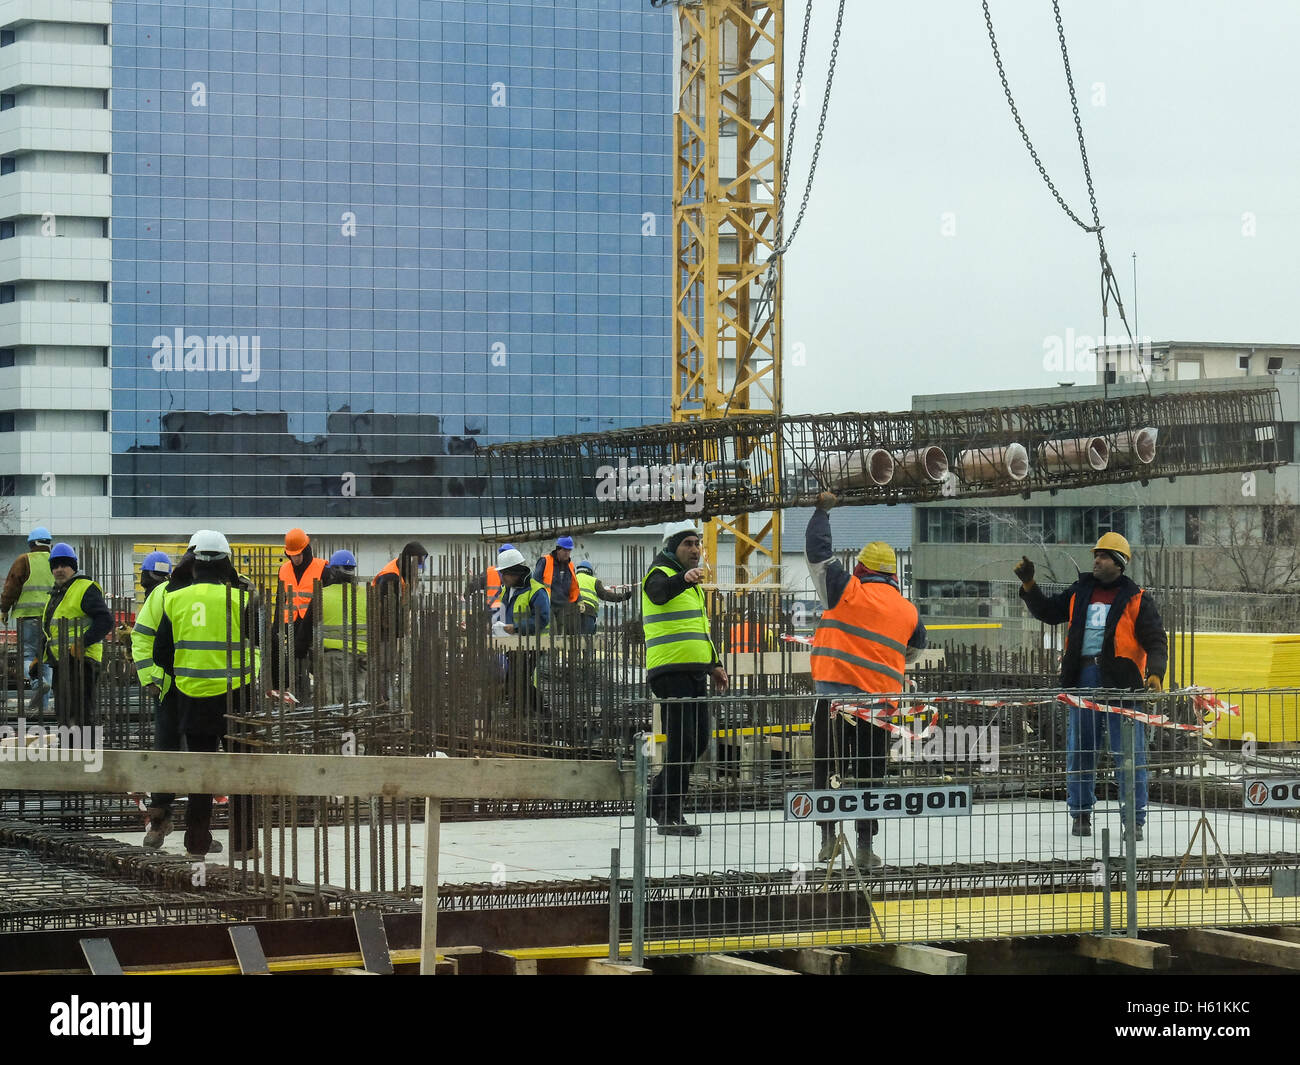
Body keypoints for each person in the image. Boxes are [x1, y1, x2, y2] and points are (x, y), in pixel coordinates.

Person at [1015, 532, 1167, 841]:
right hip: (1083, 678)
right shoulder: (1080, 591)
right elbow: (1049, 612)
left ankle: (1133, 820)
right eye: (1096, 555)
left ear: (1119, 563)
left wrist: (1155, 673)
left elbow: (1155, 639)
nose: (1096, 560)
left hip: (1122, 683)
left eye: (1104, 556)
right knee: (1081, 749)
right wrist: (1030, 586)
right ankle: (1081, 814)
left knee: (1129, 752)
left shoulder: (1136, 597)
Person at [807, 494, 926, 870]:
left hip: (833, 702)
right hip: (878, 707)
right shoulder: (908, 610)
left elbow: (817, 552)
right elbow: (915, 649)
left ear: (860, 568)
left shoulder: (845, 589)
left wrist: (822, 511)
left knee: (830, 768)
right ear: (893, 575)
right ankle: (863, 846)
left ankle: (828, 838)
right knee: (870, 773)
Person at [152, 530, 259, 861]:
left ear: (192, 563)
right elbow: (262, 645)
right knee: (242, 775)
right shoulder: (243, 600)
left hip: (192, 698)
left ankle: (196, 845)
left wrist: (188, 669)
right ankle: (243, 846)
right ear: (226, 563)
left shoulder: (174, 599)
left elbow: (160, 655)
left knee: (201, 776)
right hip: (236, 699)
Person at [642, 521, 728, 836]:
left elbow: (699, 628)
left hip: (694, 670)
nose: (695, 550)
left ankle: (656, 800)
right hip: (670, 671)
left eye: (697, 544)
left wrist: (714, 663)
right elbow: (660, 594)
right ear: (672, 547)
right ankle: (669, 813)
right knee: (681, 744)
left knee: (699, 740)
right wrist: (683, 577)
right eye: (688, 544)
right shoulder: (658, 574)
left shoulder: (688, 583)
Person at [128, 550, 182, 848]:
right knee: (168, 749)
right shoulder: (163, 593)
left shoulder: (169, 593)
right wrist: (152, 679)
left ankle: (195, 827)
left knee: (189, 752)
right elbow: (142, 637)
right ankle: (163, 820)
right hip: (171, 686)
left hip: (200, 687)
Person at [31, 542, 113, 729]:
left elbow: (105, 621)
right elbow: (50, 632)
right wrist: (39, 657)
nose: (59, 570)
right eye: (56, 566)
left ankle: (85, 755)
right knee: (65, 716)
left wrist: (81, 644)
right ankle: (70, 755)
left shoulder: (85, 588)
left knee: (80, 715)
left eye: (64, 565)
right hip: (62, 663)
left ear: (73, 567)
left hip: (82, 662)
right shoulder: (56, 594)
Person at [274, 527, 332, 696]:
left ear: (306, 550)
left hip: (314, 627)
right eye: (292, 555)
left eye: (298, 554)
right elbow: (280, 600)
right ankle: (299, 698)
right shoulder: (284, 570)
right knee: (293, 671)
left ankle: (317, 699)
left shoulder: (322, 569)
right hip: (291, 626)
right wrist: (276, 627)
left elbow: (325, 601)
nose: (295, 559)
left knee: (317, 668)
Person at [495, 547, 551, 721]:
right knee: (514, 681)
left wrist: (517, 627)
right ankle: (522, 714)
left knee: (521, 682)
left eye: (504, 574)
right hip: (514, 644)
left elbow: (542, 619)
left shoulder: (536, 591)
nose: (502, 578)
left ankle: (544, 713)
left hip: (534, 644)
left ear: (515, 573)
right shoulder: (507, 589)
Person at [2, 526, 55, 710]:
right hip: (52, 619)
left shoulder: (24, 560)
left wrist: (4, 609)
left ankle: (36, 683)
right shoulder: (57, 561)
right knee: (47, 658)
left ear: (32, 544)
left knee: (27, 655)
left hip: (28, 616)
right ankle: (43, 707)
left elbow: (11, 586)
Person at [371, 541, 428, 706]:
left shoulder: (404, 572)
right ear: (409, 560)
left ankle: (386, 697)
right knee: (383, 663)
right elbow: (382, 606)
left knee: (390, 663)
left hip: (393, 627)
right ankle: (380, 699)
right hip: (381, 628)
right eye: (417, 563)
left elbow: (402, 603)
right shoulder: (391, 575)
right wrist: (396, 629)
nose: (419, 567)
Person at [320, 549, 366, 703]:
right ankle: (357, 727)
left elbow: (307, 627)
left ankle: (335, 727)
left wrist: (301, 649)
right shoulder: (366, 595)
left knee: (333, 702)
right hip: (360, 658)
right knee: (357, 701)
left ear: (333, 571)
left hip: (332, 658)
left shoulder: (322, 595)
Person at [534, 535, 580, 634]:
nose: (567, 553)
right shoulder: (545, 561)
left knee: (562, 634)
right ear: (558, 549)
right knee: (551, 631)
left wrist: (579, 600)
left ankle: (559, 649)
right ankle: (551, 649)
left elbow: (573, 586)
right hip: (548, 604)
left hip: (563, 605)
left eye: (569, 550)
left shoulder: (570, 566)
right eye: (565, 550)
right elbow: (535, 583)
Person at [573, 560, 633, 635]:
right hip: (588, 612)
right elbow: (606, 595)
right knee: (587, 640)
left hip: (570, 612)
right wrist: (623, 596)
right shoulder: (594, 581)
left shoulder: (571, 578)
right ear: (590, 571)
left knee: (570, 641)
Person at [464, 543, 515, 628]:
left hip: (492, 609)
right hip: (509, 610)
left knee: (491, 634)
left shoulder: (490, 571)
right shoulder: (520, 573)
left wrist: (466, 593)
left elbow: (475, 584)